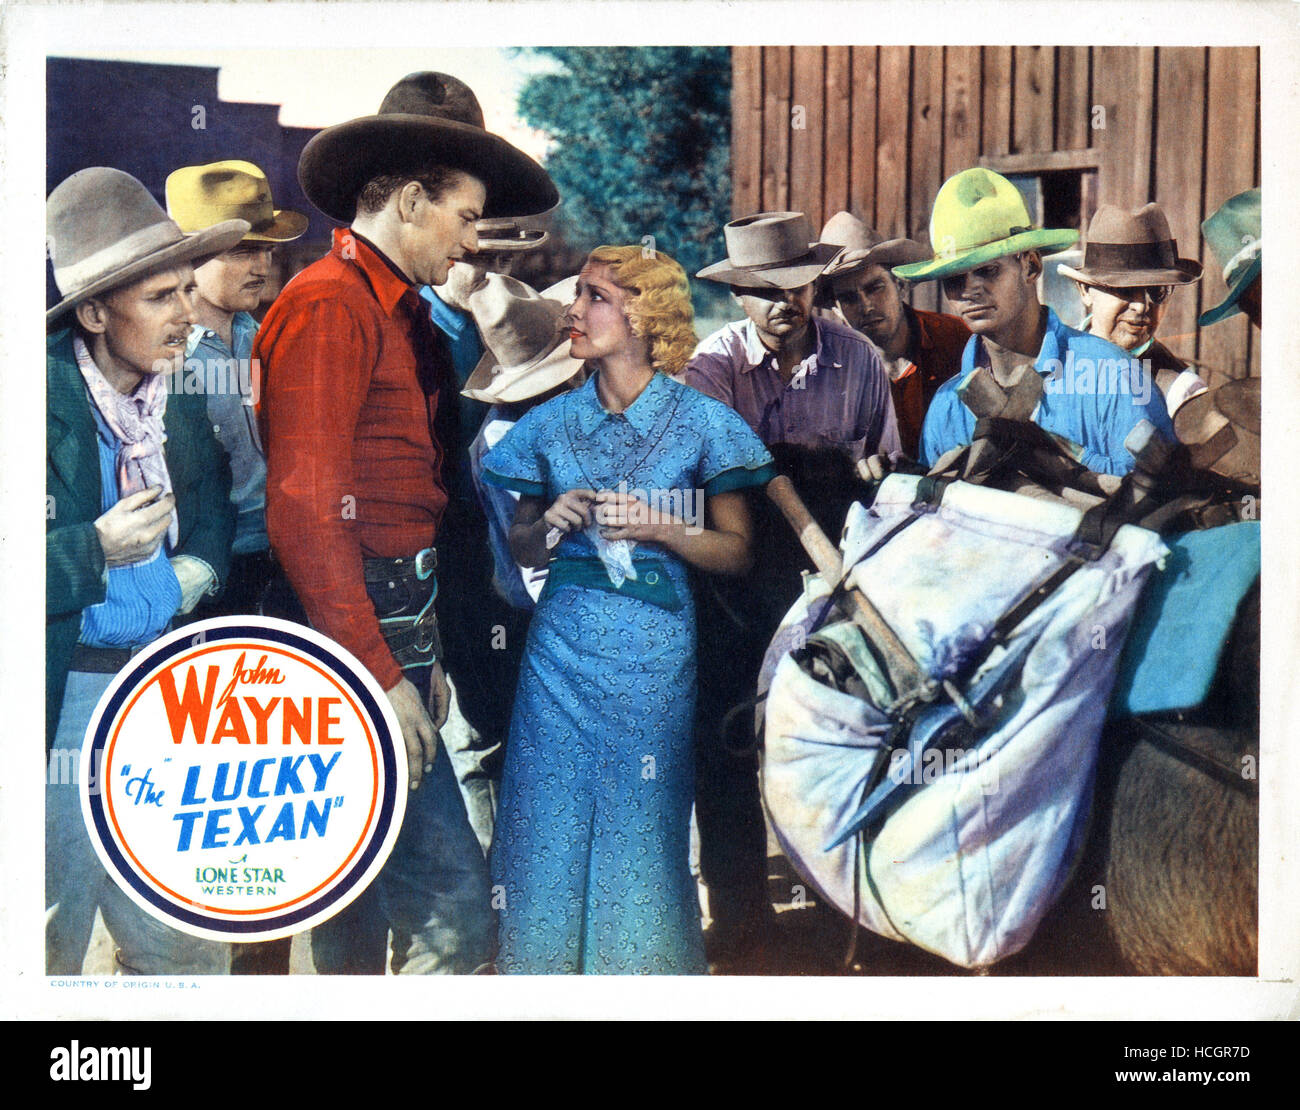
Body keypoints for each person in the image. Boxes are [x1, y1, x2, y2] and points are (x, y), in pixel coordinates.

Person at [254, 71, 556, 975]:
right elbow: (306, 511)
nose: (472, 239)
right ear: (415, 199)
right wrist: (381, 671)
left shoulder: (399, 311)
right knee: (454, 910)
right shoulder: (326, 306)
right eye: (464, 216)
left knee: (352, 894)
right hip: (353, 627)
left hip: (395, 620)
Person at [481, 245, 776, 974]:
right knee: (545, 828)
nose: (573, 313)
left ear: (644, 317)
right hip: (559, 655)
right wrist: (549, 519)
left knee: (642, 828)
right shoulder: (549, 424)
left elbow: (738, 551)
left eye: (594, 298)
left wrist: (660, 528)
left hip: (655, 652)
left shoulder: (705, 423)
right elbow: (520, 542)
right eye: (578, 296)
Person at [45, 167, 241, 973]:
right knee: (47, 935)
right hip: (61, 702)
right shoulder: (29, 396)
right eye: (162, 297)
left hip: (160, 696)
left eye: (187, 290)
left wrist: (193, 572)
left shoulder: (179, 392)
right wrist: (95, 549)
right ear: (94, 311)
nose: (188, 314)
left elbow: (217, 505)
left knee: (188, 947)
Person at [892, 167, 1175, 477]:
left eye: (987, 271)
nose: (969, 290)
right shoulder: (947, 408)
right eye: (954, 279)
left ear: (1031, 266)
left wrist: (1056, 455)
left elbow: (1160, 496)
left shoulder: (1115, 378)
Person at [419, 214, 554, 855]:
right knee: (475, 736)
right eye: (483, 258)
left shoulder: (516, 323)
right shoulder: (412, 330)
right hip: (450, 558)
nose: (496, 276)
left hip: (514, 567)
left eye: (510, 263)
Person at [164, 160, 308, 622]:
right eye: (243, 251)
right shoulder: (163, 360)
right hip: (201, 571)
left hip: (281, 558)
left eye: (267, 250)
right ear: (186, 256)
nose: (262, 266)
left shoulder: (263, 337)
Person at [687, 211, 900, 461]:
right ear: (738, 294)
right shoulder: (714, 363)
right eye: (766, 290)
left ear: (815, 286)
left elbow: (886, 458)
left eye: (796, 286)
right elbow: (717, 472)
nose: (785, 302)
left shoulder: (858, 357)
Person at [818, 210, 970, 457]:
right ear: (837, 309)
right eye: (848, 298)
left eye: (875, 288)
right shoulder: (828, 372)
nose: (866, 306)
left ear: (900, 285)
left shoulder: (956, 338)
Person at [1059, 203, 1206, 417]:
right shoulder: (1049, 358)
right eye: (1125, 289)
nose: (1141, 306)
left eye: (1157, 291)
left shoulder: (1182, 392)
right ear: (1085, 291)